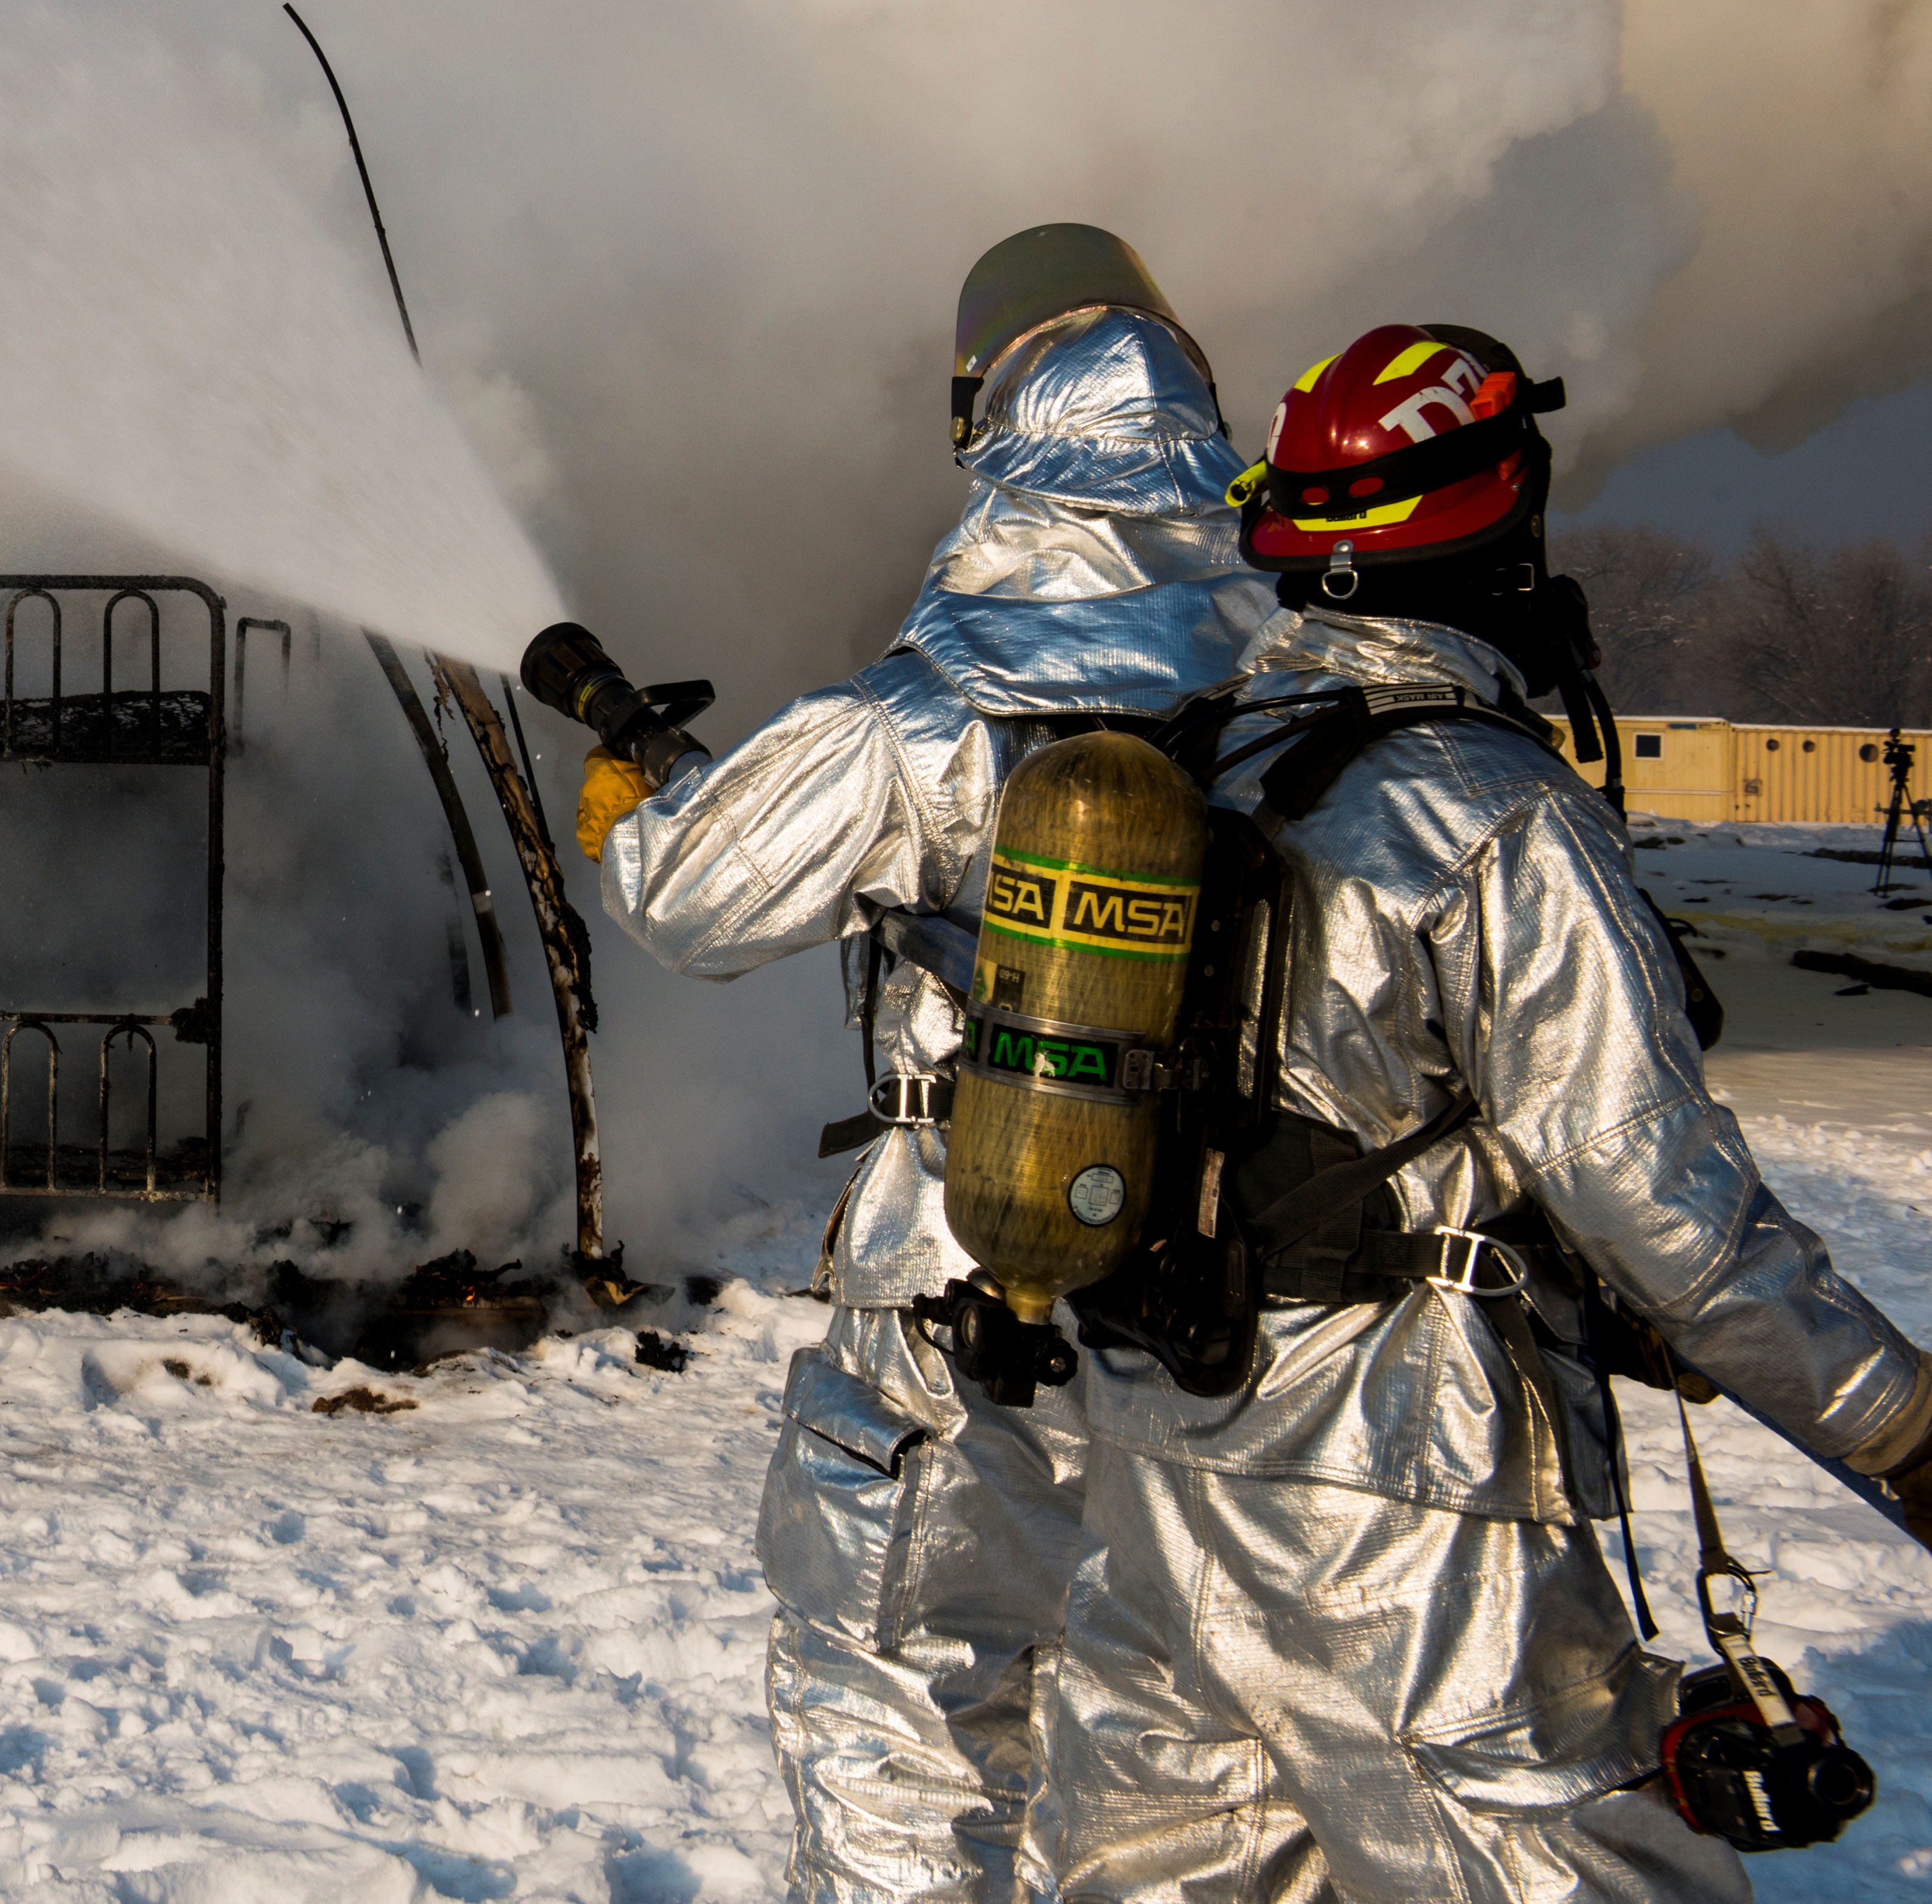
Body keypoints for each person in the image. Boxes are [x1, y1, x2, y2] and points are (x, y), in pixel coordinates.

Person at [1032, 322, 1932, 1902]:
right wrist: (1904, 1432)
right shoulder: (1489, 810)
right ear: (1501, 515)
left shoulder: (1186, 767)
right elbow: (1667, 1213)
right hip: (1408, 1510)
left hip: (1156, 1469)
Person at [576, 225, 1273, 1904]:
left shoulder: (932, 700)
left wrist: (633, 806)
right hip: (1230, 1316)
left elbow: (693, 895)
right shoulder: (1295, 675)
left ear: (993, 423)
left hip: (967, 1301)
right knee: (1185, 1768)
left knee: (899, 1707)